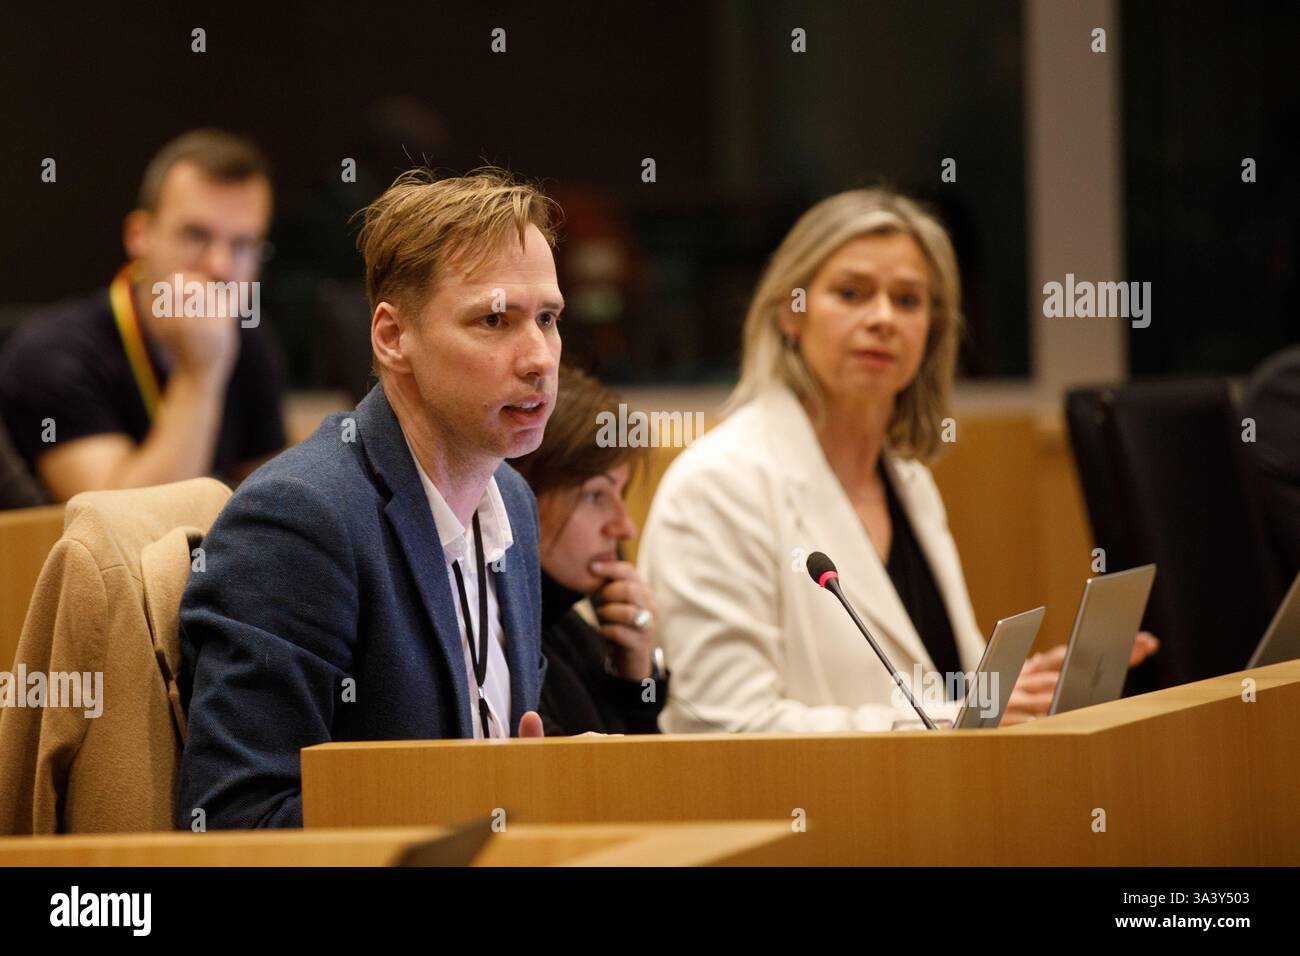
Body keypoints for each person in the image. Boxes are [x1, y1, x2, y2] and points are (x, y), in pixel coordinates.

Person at [638, 188, 1156, 733]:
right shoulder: (717, 486)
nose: (883, 318)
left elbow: (925, 690)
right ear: (790, 314)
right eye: (851, 293)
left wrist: (1010, 692)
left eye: (908, 300)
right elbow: (728, 728)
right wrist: (956, 713)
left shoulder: (909, 482)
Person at [178, 168, 562, 828]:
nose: (539, 359)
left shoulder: (513, 504)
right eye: (494, 320)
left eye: (548, 319)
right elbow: (236, 821)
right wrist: (490, 801)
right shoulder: (300, 521)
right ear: (392, 337)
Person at [0, 129, 286, 501]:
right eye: (196, 235)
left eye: (243, 245)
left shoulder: (248, 337)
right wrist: (200, 373)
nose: (219, 266)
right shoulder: (52, 354)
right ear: (140, 234)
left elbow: (271, 497)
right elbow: (113, 530)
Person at [511, 364, 665, 735]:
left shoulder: (574, 634)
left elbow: (652, 782)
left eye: (621, 494)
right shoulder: (502, 649)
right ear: (519, 492)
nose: (624, 527)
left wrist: (636, 677)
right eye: (596, 495)